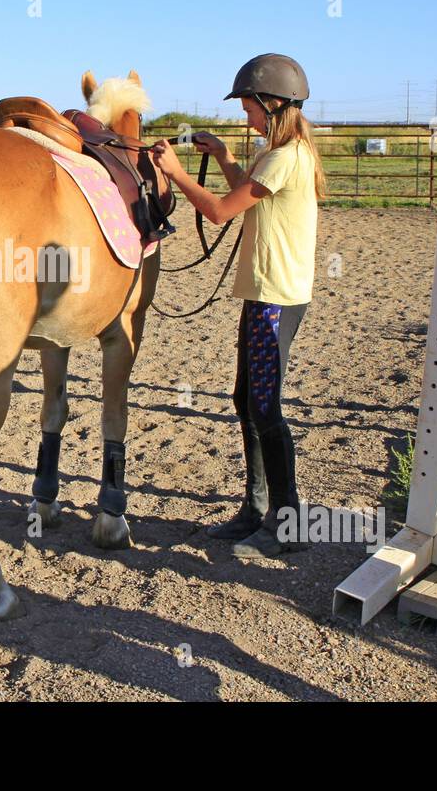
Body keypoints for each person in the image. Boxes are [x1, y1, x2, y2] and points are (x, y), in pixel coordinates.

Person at [150, 54, 325, 559]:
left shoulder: (284, 156)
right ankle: (257, 507)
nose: (246, 117)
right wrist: (225, 156)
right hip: (268, 293)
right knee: (246, 398)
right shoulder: (285, 152)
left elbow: (221, 210)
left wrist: (177, 172)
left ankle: (284, 521)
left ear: (272, 104)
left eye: (249, 108)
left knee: (265, 406)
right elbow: (245, 194)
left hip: (274, 296)